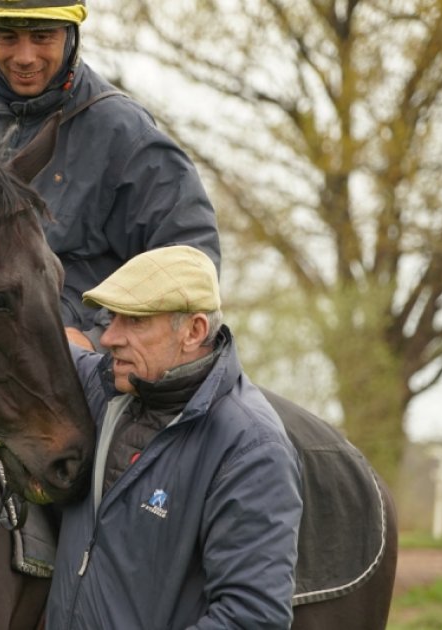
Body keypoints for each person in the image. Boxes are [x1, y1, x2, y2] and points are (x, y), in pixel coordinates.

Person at [0, 0, 221, 349]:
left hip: (73, 357)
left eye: (42, 36)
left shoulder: (126, 134)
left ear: (70, 36)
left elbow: (191, 261)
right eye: (8, 36)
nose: (25, 56)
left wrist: (99, 338)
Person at [46, 245, 303, 629]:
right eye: (112, 317)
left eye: (134, 321)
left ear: (194, 331)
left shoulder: (251, 448)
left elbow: (253, 618)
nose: (108, 338)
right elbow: (23, 345)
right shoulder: (103, 387)